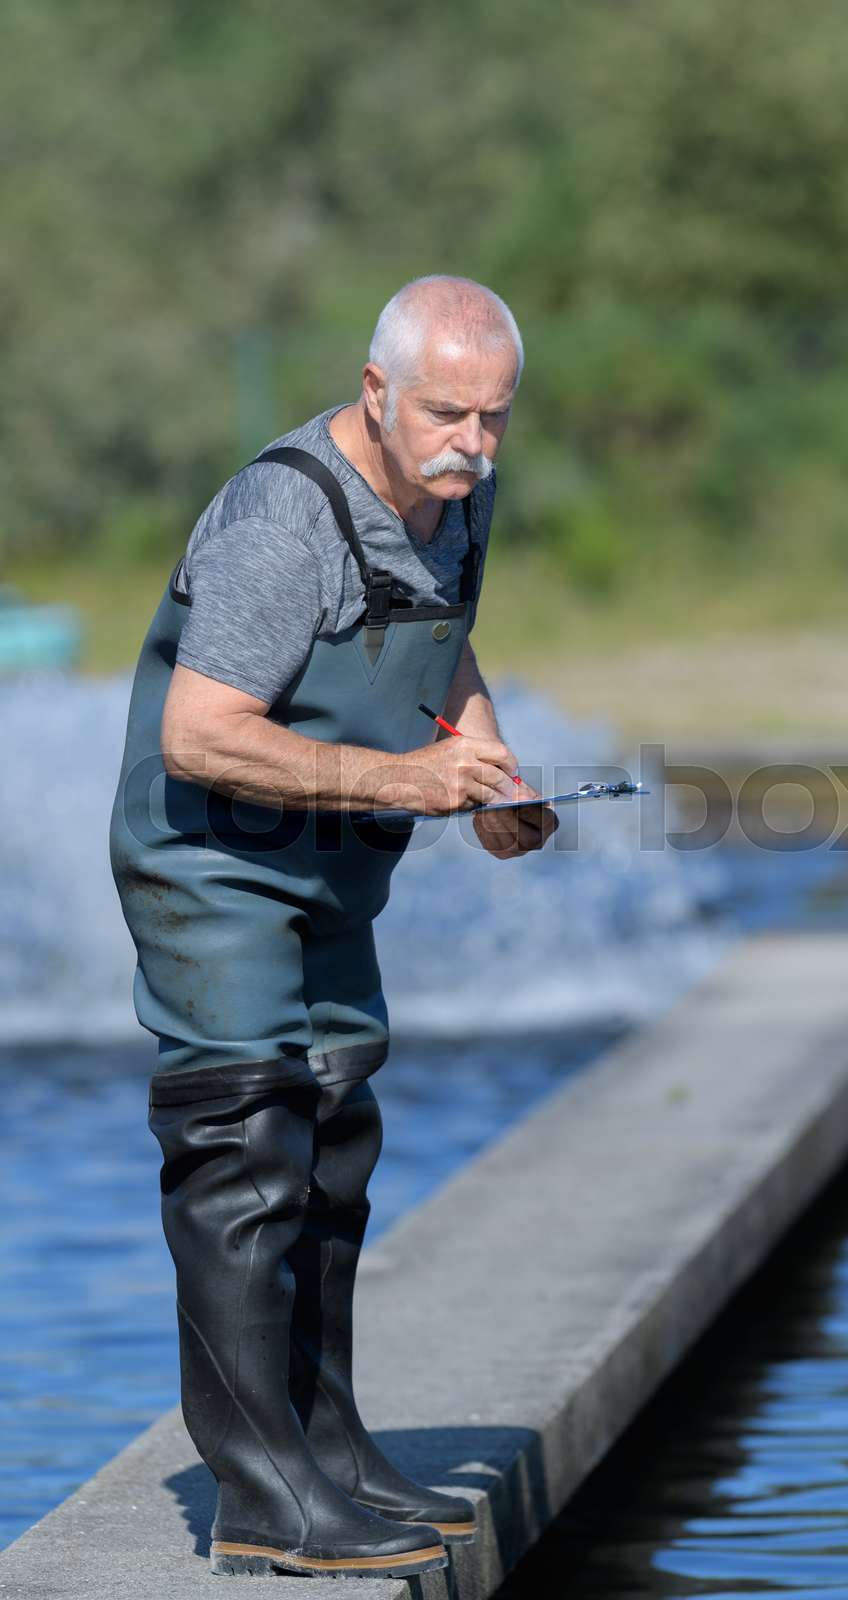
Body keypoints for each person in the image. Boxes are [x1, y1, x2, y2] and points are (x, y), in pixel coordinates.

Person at [109, 275, 558, 1580]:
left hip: (331, 867)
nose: (473, 443)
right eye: (447, 413)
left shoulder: (459, 497)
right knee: (248, 1149)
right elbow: (201, 736)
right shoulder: (280, 520)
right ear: (376, 393)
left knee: (337, 1138)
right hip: (211, 865)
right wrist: (404, 786)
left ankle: (329, 1448)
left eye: (495, 417)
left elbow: (439, 647)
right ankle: (263, 1499)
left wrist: (486, 771)